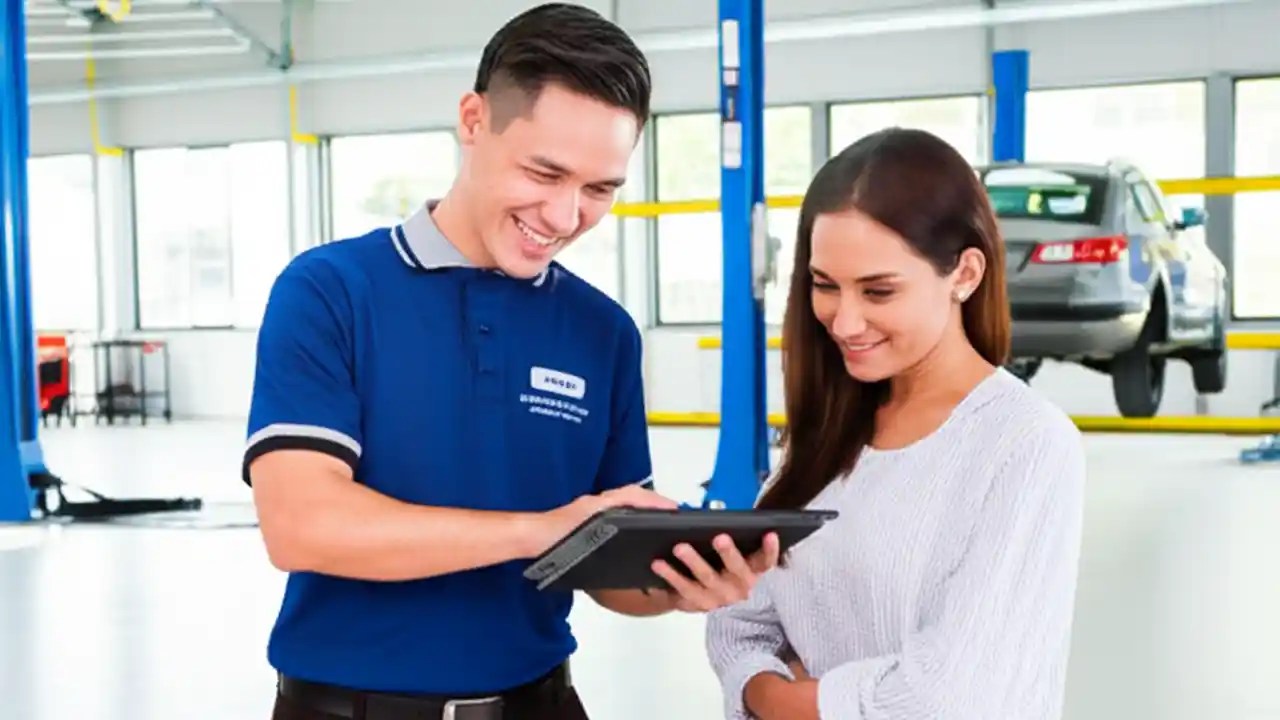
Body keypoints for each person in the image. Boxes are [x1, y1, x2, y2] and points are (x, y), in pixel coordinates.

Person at [243, 4, 778, 719]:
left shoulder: (603, 333)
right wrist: (542, 527)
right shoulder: (330, 291)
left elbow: (602, 566)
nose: (564, 217)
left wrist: (676, 584)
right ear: (473, 120)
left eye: (599, 189)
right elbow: (301, 525)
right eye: (544, 172)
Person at [704, 127, 1087, 720]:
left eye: (878, 291)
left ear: (964, 274)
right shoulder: (831, 429)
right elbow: (739, 626)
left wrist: (780, 701)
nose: (845, 322)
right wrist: (790, 686)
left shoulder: (1026, 444)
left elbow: (944, 697)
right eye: (824, 285)